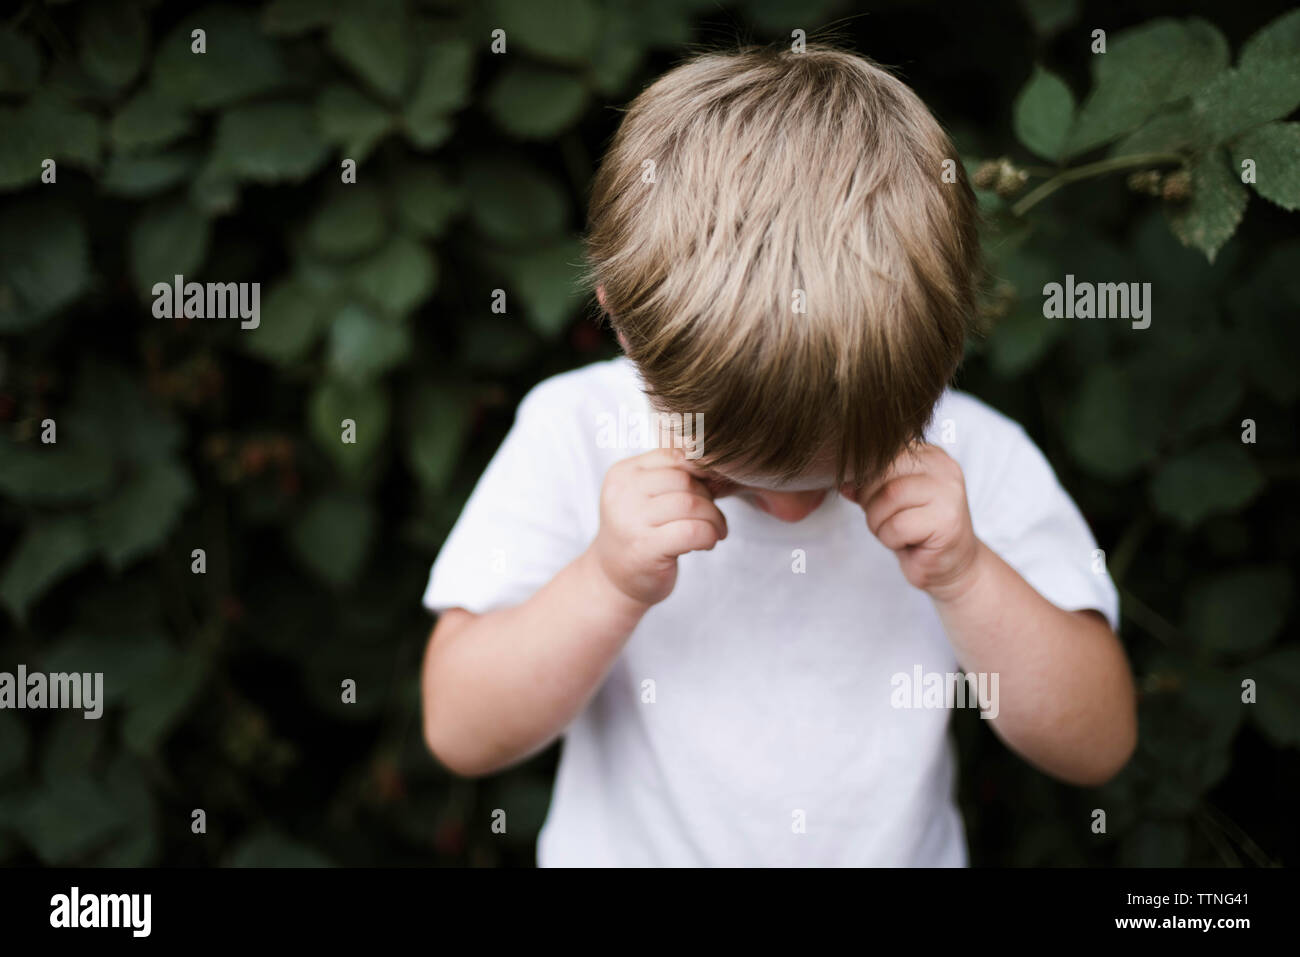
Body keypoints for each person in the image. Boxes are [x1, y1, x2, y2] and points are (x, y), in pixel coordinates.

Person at [419, 44, 1137, 866]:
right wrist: (605, 582)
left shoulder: (972, 459)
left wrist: (968, 575)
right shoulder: (573, 432)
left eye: (836, 474)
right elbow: (458, 728)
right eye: (734, 473)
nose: (793, 511)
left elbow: (1100, 741)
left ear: (941, 358)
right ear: (622, 323)